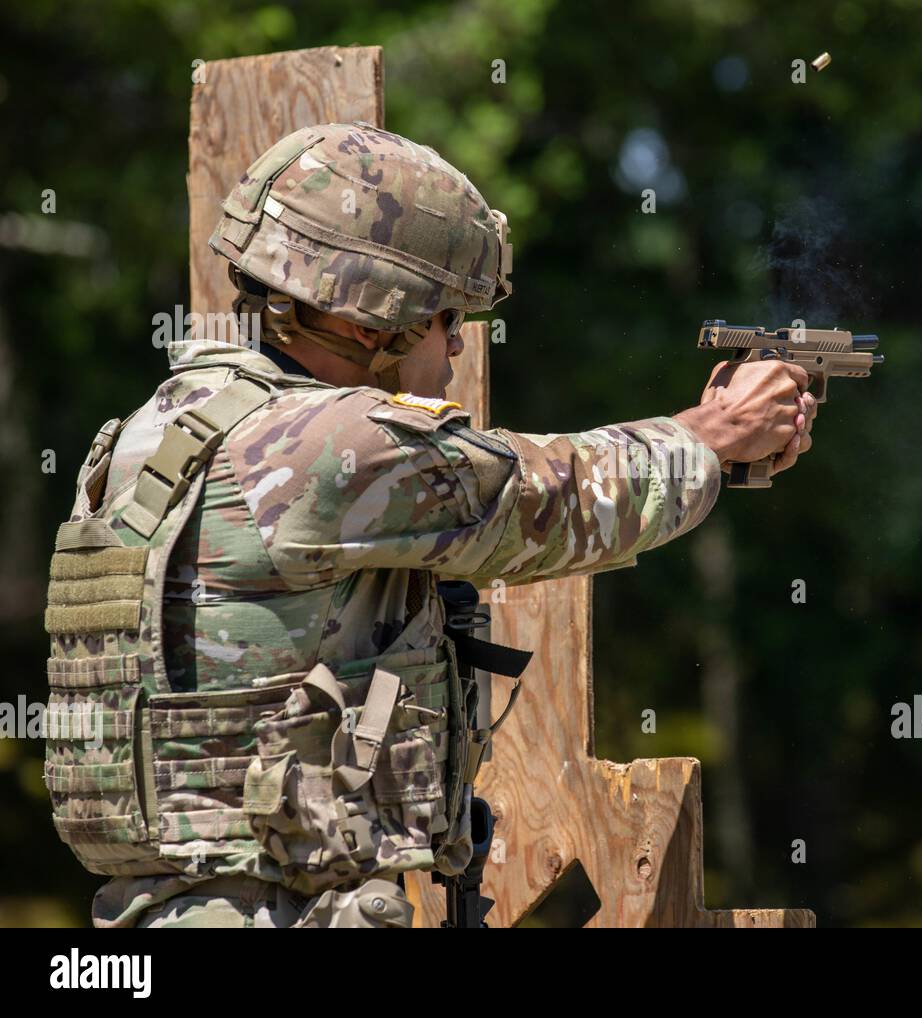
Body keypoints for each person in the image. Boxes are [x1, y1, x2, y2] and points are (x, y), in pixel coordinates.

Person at [42, 122, 816, 928]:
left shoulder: (147, 432)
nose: (453, 351)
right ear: (379, 321)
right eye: (448, 320)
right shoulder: (327, 445)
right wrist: (716, 437)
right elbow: (558, 500)